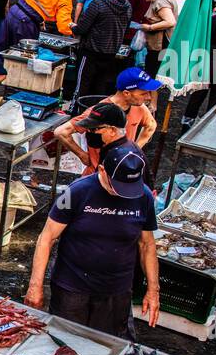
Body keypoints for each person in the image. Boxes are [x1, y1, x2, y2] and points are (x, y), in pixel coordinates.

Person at [26, 140, 159, 337]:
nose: (123, 194)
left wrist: (153, 290)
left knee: (106, 346)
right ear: (103, 171)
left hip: (116, 290)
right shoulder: (77, 191)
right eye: (118, 186)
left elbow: (147, 244)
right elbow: (47, 238)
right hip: (72, 288)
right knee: (65, 343)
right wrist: (35, 286)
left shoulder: (143, 196)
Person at [54, 82, 158, 177]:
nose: (149, 97)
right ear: (126, 93)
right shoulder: (98, 112)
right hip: (95, 174)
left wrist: (135, 149)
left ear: (113, 130)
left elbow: (151, 125)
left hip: (121, 173)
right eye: (143, 94)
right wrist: (83, 155)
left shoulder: (140, 107)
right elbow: (61, 132)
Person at [71, 0, 131, 101]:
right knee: (100, 88)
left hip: (91, 53)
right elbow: (125, 28)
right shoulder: (127, 6)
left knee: (82, 87)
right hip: (111, 53)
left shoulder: (99, 4)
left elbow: (81, 29)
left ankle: (76, 114)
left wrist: (72, 26)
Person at [0, 0, 73, 50]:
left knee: (1, 47)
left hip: (14, 10)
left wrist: (41, 19)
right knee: (22, 53)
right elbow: (63, 25)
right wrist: (74, 31)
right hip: (25, 21)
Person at [137, 0, 178, 77]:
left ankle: (150, 92)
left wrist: (150, 27)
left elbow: (170, 21)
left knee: (152, 75)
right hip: (160, 46)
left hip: (160, 46)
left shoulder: (161, 1)